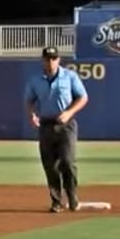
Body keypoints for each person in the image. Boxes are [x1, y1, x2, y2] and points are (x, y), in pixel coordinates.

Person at [23, 46, 89, 212]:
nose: (50, 62)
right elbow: (29, 100)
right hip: (46, 125)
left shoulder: (69, 77)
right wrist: (32, 115)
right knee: (50, 165)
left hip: (66, 125)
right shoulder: (35, 80)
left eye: (53, 58)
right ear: (43, 60)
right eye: (47, 59)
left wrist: (69, 112)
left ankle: (72, 196)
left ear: (58, 60)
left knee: (67, 161)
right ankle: (56, 201)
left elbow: (83, 97)